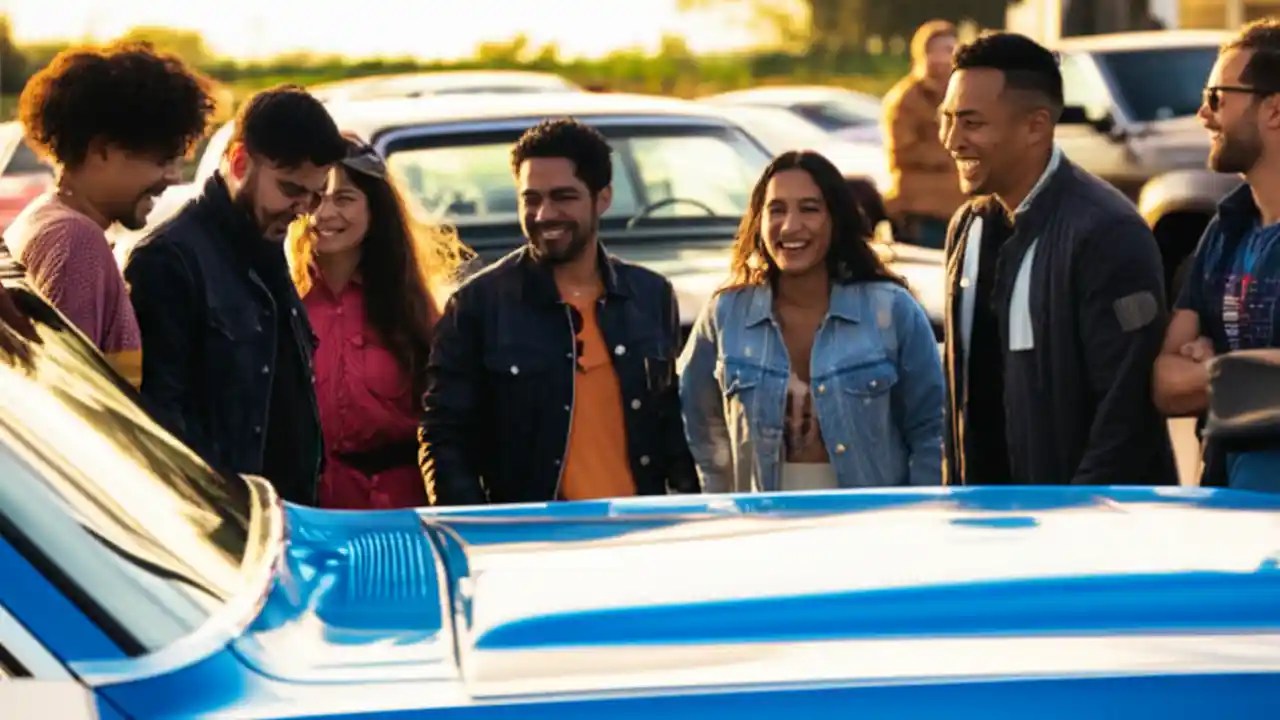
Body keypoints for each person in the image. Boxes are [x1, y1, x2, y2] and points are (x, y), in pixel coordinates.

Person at [939, 32, 1177, 486]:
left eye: (971, 122)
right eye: (947, 119)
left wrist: (1075, 525)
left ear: (1036, 126)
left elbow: (1125, 412)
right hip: (982, 528)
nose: (951, 140)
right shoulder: (967, 227)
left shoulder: (1108, 231)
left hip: (1079, 535)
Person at [419, 118, 697, 505]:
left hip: (642, 533)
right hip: (536, 542)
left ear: (602, 198)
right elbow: (443, 436)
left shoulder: (650, 295)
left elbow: (673, 429)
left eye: (563, 197)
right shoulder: (478, 305)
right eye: (531, 199)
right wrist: (480, 533)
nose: (544, 214)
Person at [124, 85, 347, 505]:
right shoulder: (169, 261)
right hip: (221, 530)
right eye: (290, 189)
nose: (304, 209)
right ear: (240, 161)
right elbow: (160, 425)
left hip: (280, 523)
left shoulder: (263, 245)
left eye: (315, 195)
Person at [679, 151, 944, 491]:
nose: (790, 226)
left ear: (836, 219)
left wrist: (919, 512)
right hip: (760, 528)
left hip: (872, 527)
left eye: (809, 209)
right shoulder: (726, 313)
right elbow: (700, 426)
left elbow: (932, 428)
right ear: (758, 222)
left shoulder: (891, 311)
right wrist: (721, 505)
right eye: (776, 210)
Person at [6, 42, 214, 386]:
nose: (174, 178)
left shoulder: (45, 220)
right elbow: (72, 394)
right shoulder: (77, 243)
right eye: (162, 161)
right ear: (101, 150)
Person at [285, 136, 470, 509]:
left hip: (403, 508)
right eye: (316, 198)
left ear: (375, 209)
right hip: (310, 510)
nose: (325, 214)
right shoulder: (281, 303)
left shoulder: (413, 307)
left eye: (345, 199)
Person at [1154, 20, 1280, 490]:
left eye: (1216, 99)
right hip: (1226, 507)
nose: (1203, 115)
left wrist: (1211, 371)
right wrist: (1242, 371)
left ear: (1274, 109)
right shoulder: (1226, 228)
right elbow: (1164, 383)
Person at [881, 20, 965, 250]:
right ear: (927, 54)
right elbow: (902, 152)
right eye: (946, 51)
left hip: (960, 208)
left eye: (954, 50)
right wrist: (952, 151)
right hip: (922, 211)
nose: (952, 57)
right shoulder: (905, 100)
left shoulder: (959, 94)